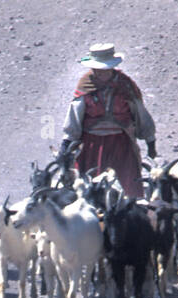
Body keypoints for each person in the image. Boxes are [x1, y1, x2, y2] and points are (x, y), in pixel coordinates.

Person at [59, 44, 157, 198]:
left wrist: (151, 143)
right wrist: (66, 144)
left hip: (121, 144)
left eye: (104, 69)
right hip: (91, 146)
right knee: (89, 190)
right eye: (98, 69)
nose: (101, 73)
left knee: (128, 189)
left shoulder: (126, 85)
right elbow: (74, 116)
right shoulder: (85, 85)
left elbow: (140, 114)